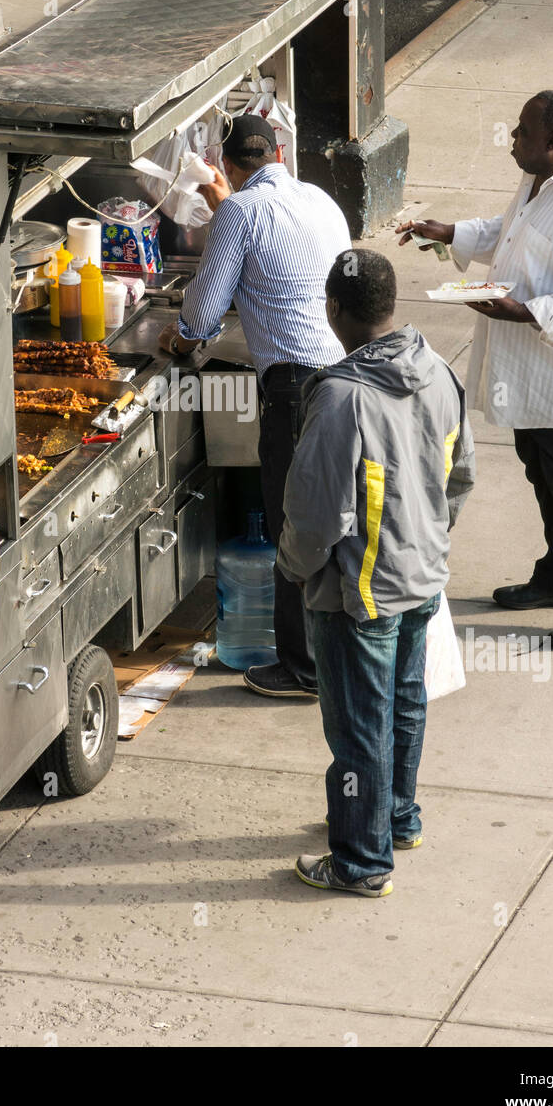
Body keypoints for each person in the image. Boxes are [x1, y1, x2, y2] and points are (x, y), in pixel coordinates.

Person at [398, 90, 553, 651]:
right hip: (532, 374)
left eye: (521, 132)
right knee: (545, 475)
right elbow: (508, 232)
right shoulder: (537, 182)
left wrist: (526, 311)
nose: (511, 140)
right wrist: (451, 232)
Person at [279, 247, 474, 897]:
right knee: (404, 704)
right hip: (420, 576)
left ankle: (361, 862)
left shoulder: (340, 398)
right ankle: (396, 819)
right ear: (387, 307)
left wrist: (294, 569)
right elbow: (458, 475)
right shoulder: (439, 371)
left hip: (358, 594)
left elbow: (315, 515)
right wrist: (425, 541)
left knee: (359, 727)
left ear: (332, 310)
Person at [158, 113, 351, 698]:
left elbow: (203, 313)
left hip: (294, 391)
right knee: (332, 520)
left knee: (294, 527)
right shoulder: (319, 198)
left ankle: (304, 670)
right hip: (344, 375)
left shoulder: (240, 212)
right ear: (280, 154)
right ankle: (335, 654)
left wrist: (179, 340)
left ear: (230, 167)